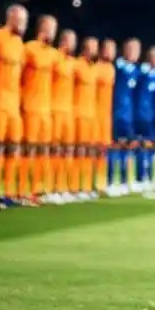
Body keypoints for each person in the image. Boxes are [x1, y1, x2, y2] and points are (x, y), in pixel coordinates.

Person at [0, 5, 28, 209]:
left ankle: (9, 193)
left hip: (13, 105)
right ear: (10, 17)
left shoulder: (20, 44)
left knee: (13, 147)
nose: (23, 24)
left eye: (25, 21)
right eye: (20, 19)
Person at [20, 15, 59, 206]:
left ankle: (36, 190)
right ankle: (21, 191)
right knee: (28, 150)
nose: (52, 32)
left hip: (46, 110)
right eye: (50, 28)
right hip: (30, 107)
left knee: (43, 150)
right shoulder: (28, 49)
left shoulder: (54, 55)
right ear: (41, 27)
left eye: (55, 29)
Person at [49, 28, 77, 204]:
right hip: (54, 109)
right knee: (54, 150)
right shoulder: (54, 57)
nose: (71, 43)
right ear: (62, 40)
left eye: (73, 40)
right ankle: (50, 187)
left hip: (68, 112)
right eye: (68, 40)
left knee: (68, 150)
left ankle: (62, 187)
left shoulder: (73, 63)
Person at [111, 38, 142, 195]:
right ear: (125, 50)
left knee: (128, 148)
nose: (135, 53)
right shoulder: (118, 66)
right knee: (115, 147)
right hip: (116, 112)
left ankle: (124, 180)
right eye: (132, 49)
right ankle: (110, 182)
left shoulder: (135, 71)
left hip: (129, 114)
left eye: (137, 50)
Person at [73, 36, 100, 201]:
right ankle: (75, 187)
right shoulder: (77, 66)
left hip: (92, 116)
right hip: (78, 114)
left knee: (91, 152)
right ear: (84, 49)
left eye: (96, 47)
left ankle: (88, 185)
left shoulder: (96, 69)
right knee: (78, 151)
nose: (94, 50)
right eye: (92, 47)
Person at [134, 45, 155, 192]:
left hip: (151, 115)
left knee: (151, 146)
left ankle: (149, 177)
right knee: (140, 146)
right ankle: (139, 178)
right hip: (139, 114)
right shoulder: (141, 72)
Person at [95, 38, 117, 196]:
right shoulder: (97, 68)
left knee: (104, 151)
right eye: (108, 49)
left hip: (106, 116)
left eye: (113, 49)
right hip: (94, 115)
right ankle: (89, 184)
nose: (111, 52)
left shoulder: (111, 69)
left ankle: (102, 184)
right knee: (91, 151)